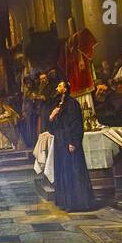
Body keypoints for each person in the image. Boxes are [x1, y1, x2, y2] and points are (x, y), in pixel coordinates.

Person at [47, 79, 95, 211]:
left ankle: (77, 204)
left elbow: (77, 124)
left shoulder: (72, 104)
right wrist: (51, 116)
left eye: (59, 85)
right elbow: (52, 129)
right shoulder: (58, 105)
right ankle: (65, 202)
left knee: (72, 171)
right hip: (59, 142)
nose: (57, 87)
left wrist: (74, 142)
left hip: (69, 141)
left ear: (66, 89)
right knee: (63, 171)